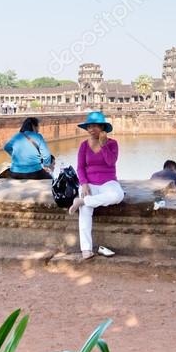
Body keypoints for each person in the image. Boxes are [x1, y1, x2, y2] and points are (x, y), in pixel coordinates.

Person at [68, 111, 123, 261]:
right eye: (89, 127)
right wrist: (84, 183)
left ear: (102, 127)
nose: (91, 130)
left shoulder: (112, 143)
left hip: (108, 181)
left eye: (94, 126)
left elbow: (111, 162)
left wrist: (103, 145)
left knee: (118, 195)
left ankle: (81, 201)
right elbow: (80, 167)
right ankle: (86, 249)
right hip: (89, 183)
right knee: (85, 212)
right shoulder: (84, 146)